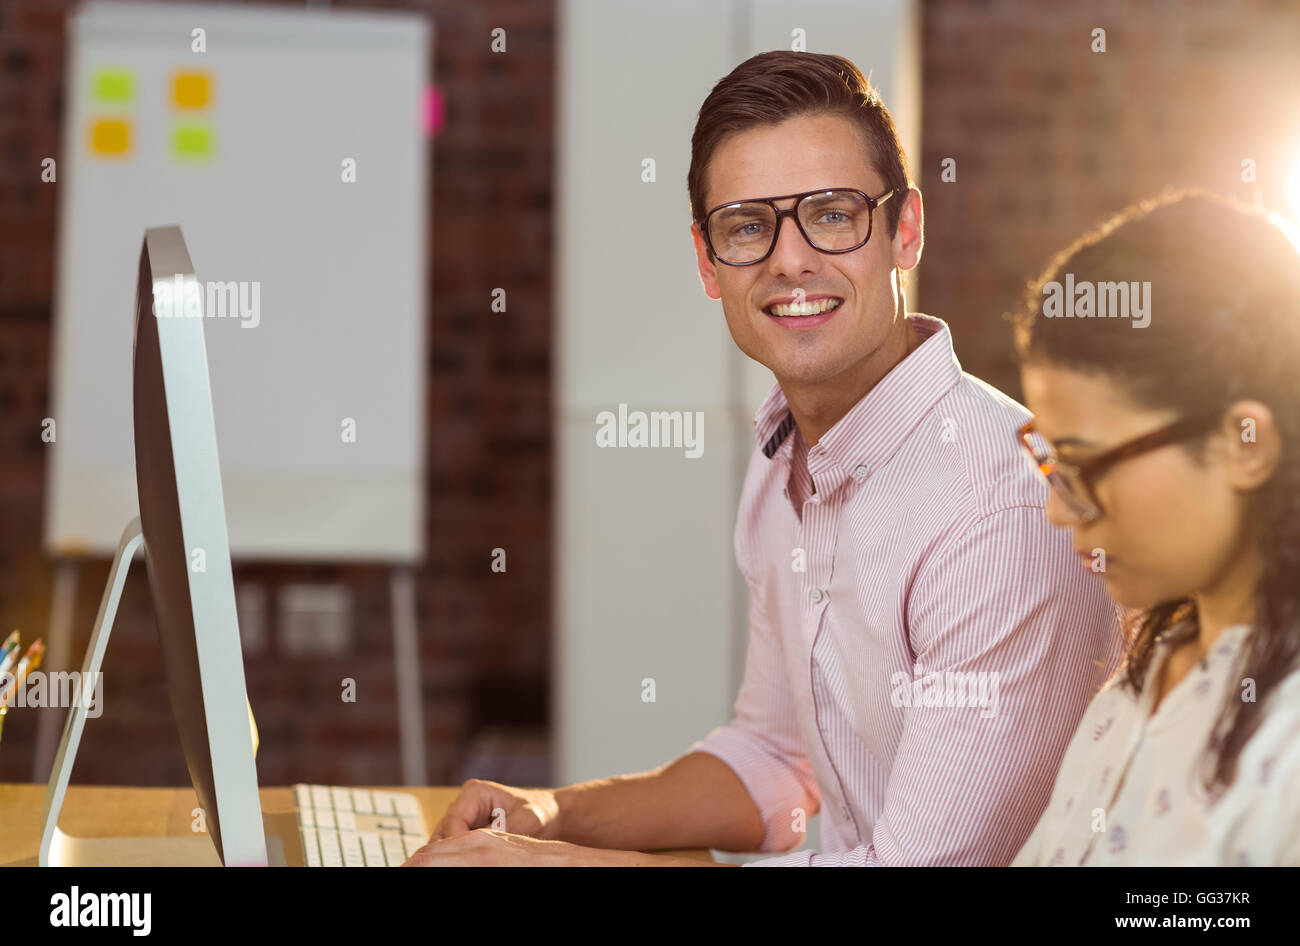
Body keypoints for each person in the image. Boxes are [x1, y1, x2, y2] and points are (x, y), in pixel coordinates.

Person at [404, 50, 1120, 867]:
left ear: (905, 230)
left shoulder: (998, 510)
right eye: (748, 225)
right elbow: (773, 762)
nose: (789, 260)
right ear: (709, 262)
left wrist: (571, 868)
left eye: (832, 213)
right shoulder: (790, 448)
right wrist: (551, 814)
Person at [1010, 190, 1300, 865]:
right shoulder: (1147, 672)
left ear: (1243, 443)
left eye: (1083, 462)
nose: (1057, 509)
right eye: (1050, 458)